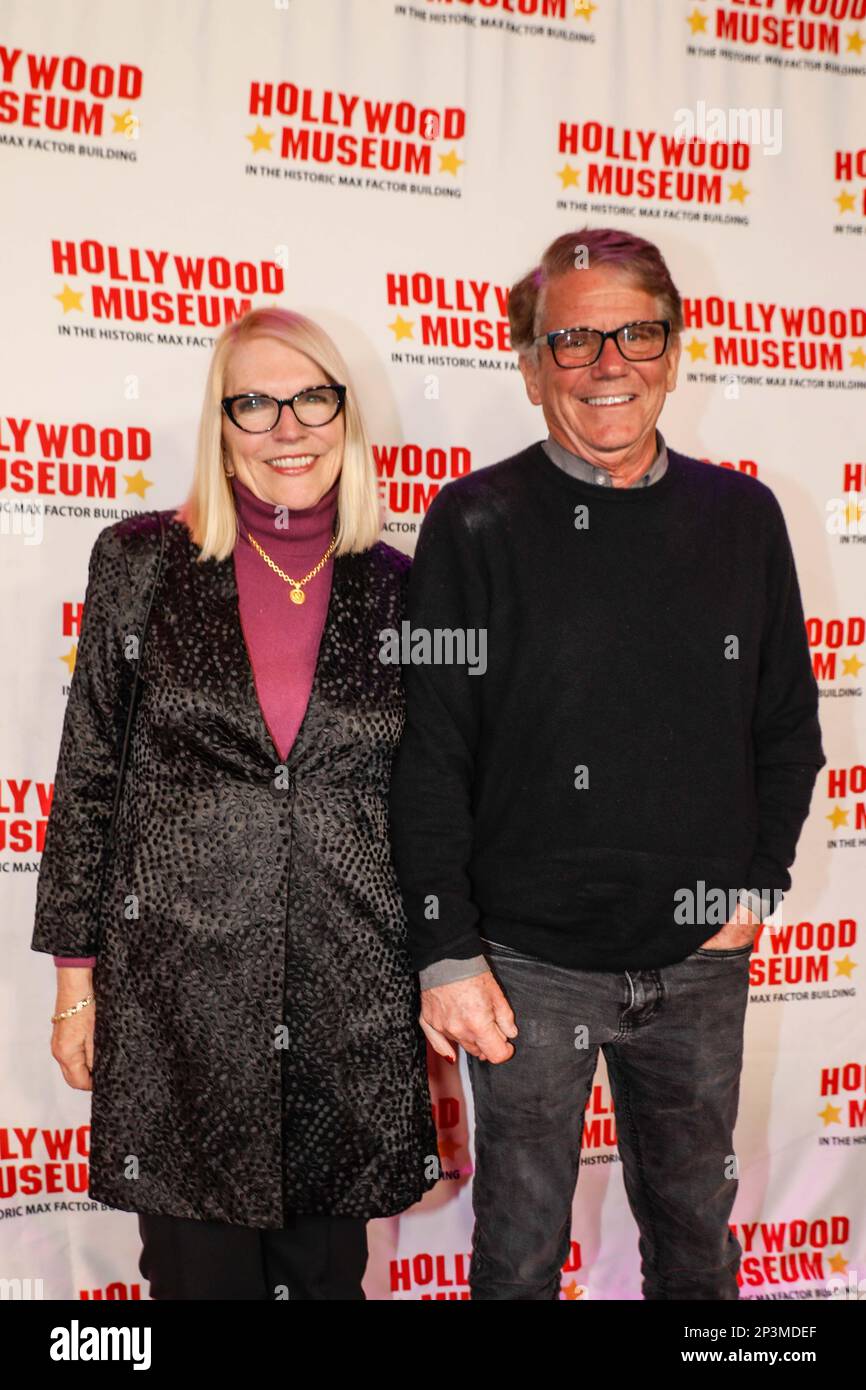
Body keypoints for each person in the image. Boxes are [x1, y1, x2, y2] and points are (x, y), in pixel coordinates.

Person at [389, 227, 825, 1300]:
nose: (605, 364)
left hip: (697, 959)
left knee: (694, 1245)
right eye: (571, 339)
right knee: (519, 1251)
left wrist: (752, 887)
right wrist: (446, 949)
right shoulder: (472, 519)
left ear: (673, 351)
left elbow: (785, 725)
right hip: (524, 964)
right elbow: (430, 746)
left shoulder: (743, 517)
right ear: (529, 364)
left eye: (634, 333)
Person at [32, 305, 438, 1301]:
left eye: (311, 397)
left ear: (346, 415)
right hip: (178, 999)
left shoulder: (405, 589)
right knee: (195, 1280)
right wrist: (76, 983)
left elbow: (435, 800)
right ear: (219, 422)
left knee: (325, 1278)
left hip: (348, 993)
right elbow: (90, 774)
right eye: (254, 401)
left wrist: (447, 960)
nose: (286, 425)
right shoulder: (138, 564)